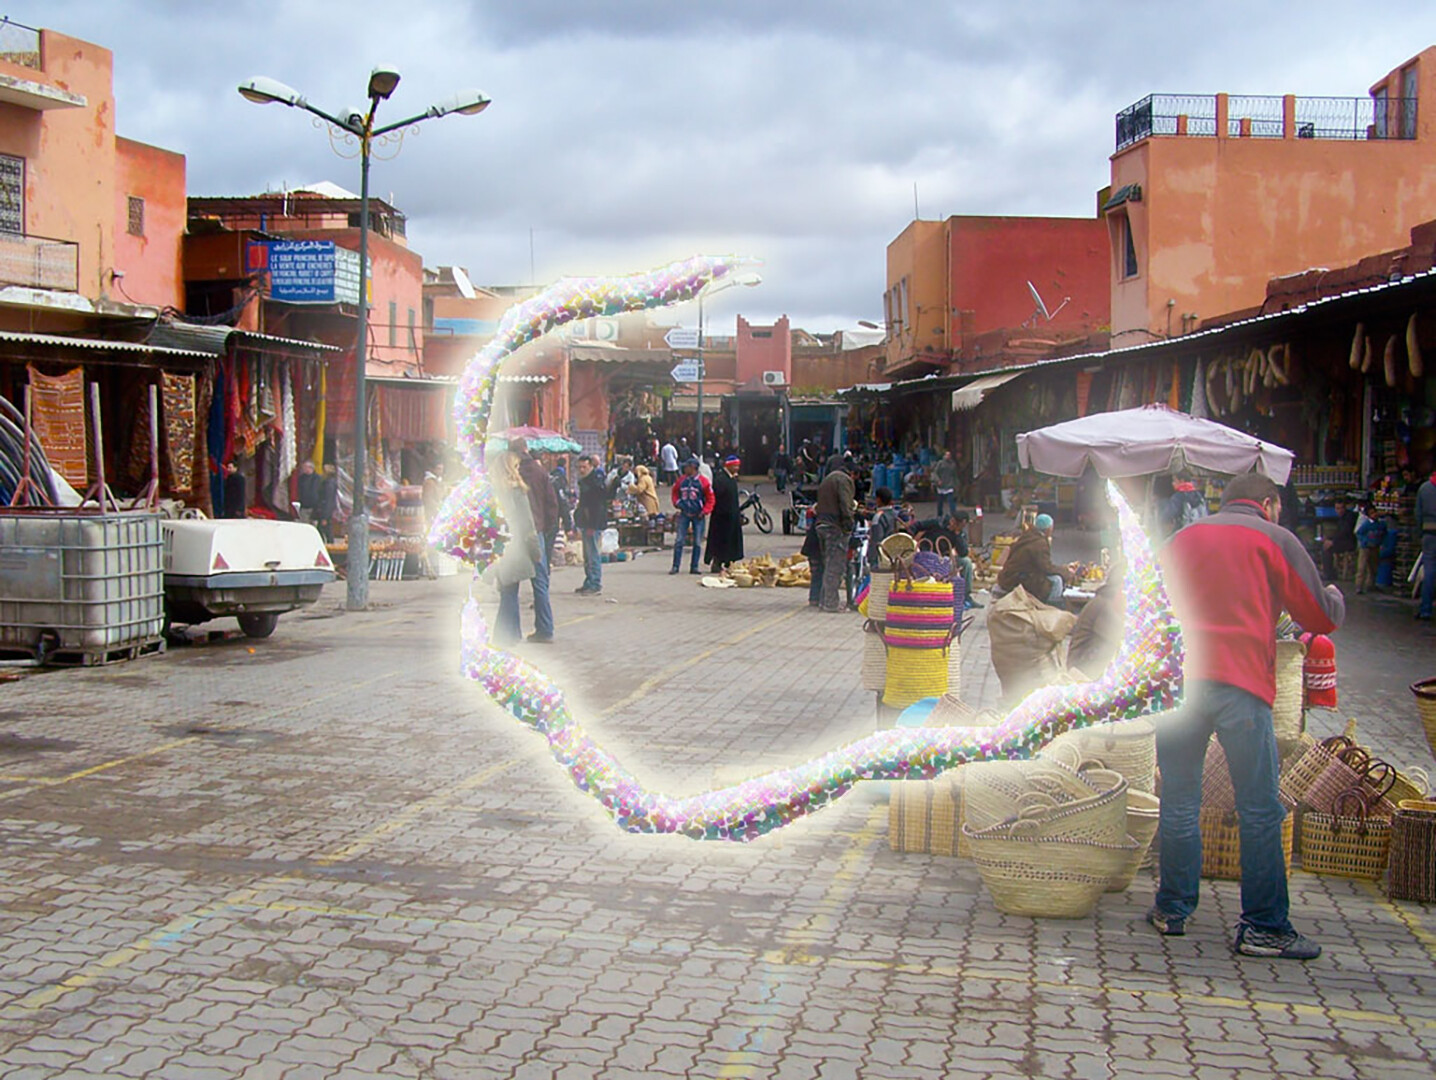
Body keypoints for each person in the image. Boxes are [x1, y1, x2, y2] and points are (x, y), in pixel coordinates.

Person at [1151, 473, 1344, 958]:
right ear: (1268, 503)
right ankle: (1263, 927)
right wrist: (1336, 598)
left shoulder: (1181, 539)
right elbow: (1318, 617)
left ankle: (1172, 909)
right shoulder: (1276, 539)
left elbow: (1148, 607)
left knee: (1178, 800)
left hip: (1179, 687)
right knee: (1259, 809)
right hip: (1241, 686)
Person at [487, 449, 541, 646]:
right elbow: (527, 525)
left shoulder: (491, 493)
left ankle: (512, 633)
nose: (519, 470)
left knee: (506, 590)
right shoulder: (517, 492)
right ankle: (505, 636)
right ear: (510, 469)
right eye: (516, 466)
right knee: (510, 592)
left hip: (497, 548)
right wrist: (536, 551)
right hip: (515, 548)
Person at [510, 438, 558, 643]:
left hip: (515, 534)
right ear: (526, 449)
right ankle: (545, 629)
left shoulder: (510, 472)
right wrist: (548, 530)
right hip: (536, 532)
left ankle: (510, 632)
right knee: (540, 583)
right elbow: (552, 504)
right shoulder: (540, 472)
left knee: (511, 584)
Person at [996, 514, 1073, 605]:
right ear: (1048, 529)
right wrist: (1065, 572)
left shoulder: (1028, 535)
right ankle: (1052, 605)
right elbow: (1046, 568)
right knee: (1057, 580)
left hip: (1010, 576)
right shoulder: (1040, 543)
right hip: (1018, 578)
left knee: (1053, 577)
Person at [813, 454, 855, 612]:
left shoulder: (827, 479)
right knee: (835, 566)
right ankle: (831, 604)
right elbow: (845, 505)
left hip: (821, 525)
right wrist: (849, 524)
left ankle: (825, 601)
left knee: (828, 564)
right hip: (834, 526)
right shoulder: (842, 480)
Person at [670, 457, 714, 575]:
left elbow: (710, 498)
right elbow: (675, 492)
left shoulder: (703, 482)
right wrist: (677, 503)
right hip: (684, 514)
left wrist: (705, 511)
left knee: (697, 542)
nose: (685, 468)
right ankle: (675, 566)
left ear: (693, 468)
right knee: (679, 540)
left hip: (698, 515)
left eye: (687, 466)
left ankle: (694, 567)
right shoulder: (681, 480)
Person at [705, 454, 745, 573]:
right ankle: (717, 563)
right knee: (721, 541)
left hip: (732, 516)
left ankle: (729, 562)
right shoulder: (721, 479)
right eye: (735, 466)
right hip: (722, 518)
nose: (737, 468)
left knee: (731, 541)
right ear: (729, 466)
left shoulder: (731, 478)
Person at [573, 454, 607, 595]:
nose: (581, 470)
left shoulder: (594, 482)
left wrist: (592, 525)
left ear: (591, 466)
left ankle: (595, 584)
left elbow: (597, 506)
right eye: (579, 467)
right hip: (586, 523)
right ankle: (589, 581)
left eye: (584, 467)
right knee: (587, 555)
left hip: (593, 524)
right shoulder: (585, 482)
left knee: (593, 554)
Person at [1321, 495, 1358, 582]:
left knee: (1327, 549)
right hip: (1342, 540)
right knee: (1325, 545)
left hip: (1349, 542)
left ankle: (1329, 574)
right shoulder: (1340, 518)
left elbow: (1345, 532)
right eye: (1337, 508)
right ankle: (1328, 571)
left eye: (1341, 508)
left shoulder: (1349, 517)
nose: (1339, 511)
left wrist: (1333, 541)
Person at [1353, 502, 1385, 595]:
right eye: (1371, 513)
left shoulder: (1380, 524)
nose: (1374, 515)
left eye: (1375, 512)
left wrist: (1382, 543)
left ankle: (1371, 585)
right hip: (1365, 548)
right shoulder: (1366, 525)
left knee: (1373, 567)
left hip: (1375, 547)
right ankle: (1359, 586)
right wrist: (1364, 541)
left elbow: (1384, 534)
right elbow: (1359, 533)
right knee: (1362, 567)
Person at [866, 486, 900, 571]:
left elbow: (876, 539)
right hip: (894, 554)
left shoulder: (878, 517)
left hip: (881, 558)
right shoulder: (895, 514)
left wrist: (871, 557)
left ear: (878, 500)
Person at [1417, 469, 1436, 620]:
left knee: (1429, 571)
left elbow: (1418, 514)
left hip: (1429, 533)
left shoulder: (1424, 488)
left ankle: (1426, 609)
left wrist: (1419, 533)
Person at [932, 450, 958, 521]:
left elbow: (954, 475)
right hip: (941, 485)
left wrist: (956, 484)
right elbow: (935, 473)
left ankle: (954, 515)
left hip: (949, 484)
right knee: (940, 502)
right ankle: (939, 515)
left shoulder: (952, 464)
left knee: (951, 501)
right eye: (947, 455)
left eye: (949, 455)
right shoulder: (940, 463)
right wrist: (938, 480)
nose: (948, 456)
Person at [315, 463, 338, 541]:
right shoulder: (329, 483)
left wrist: (325, 516)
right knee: (323, 530)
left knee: (324, 530)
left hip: (325, 511)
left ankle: (329, 546)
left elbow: (328, 500)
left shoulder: (329, 484)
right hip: (325, 510)